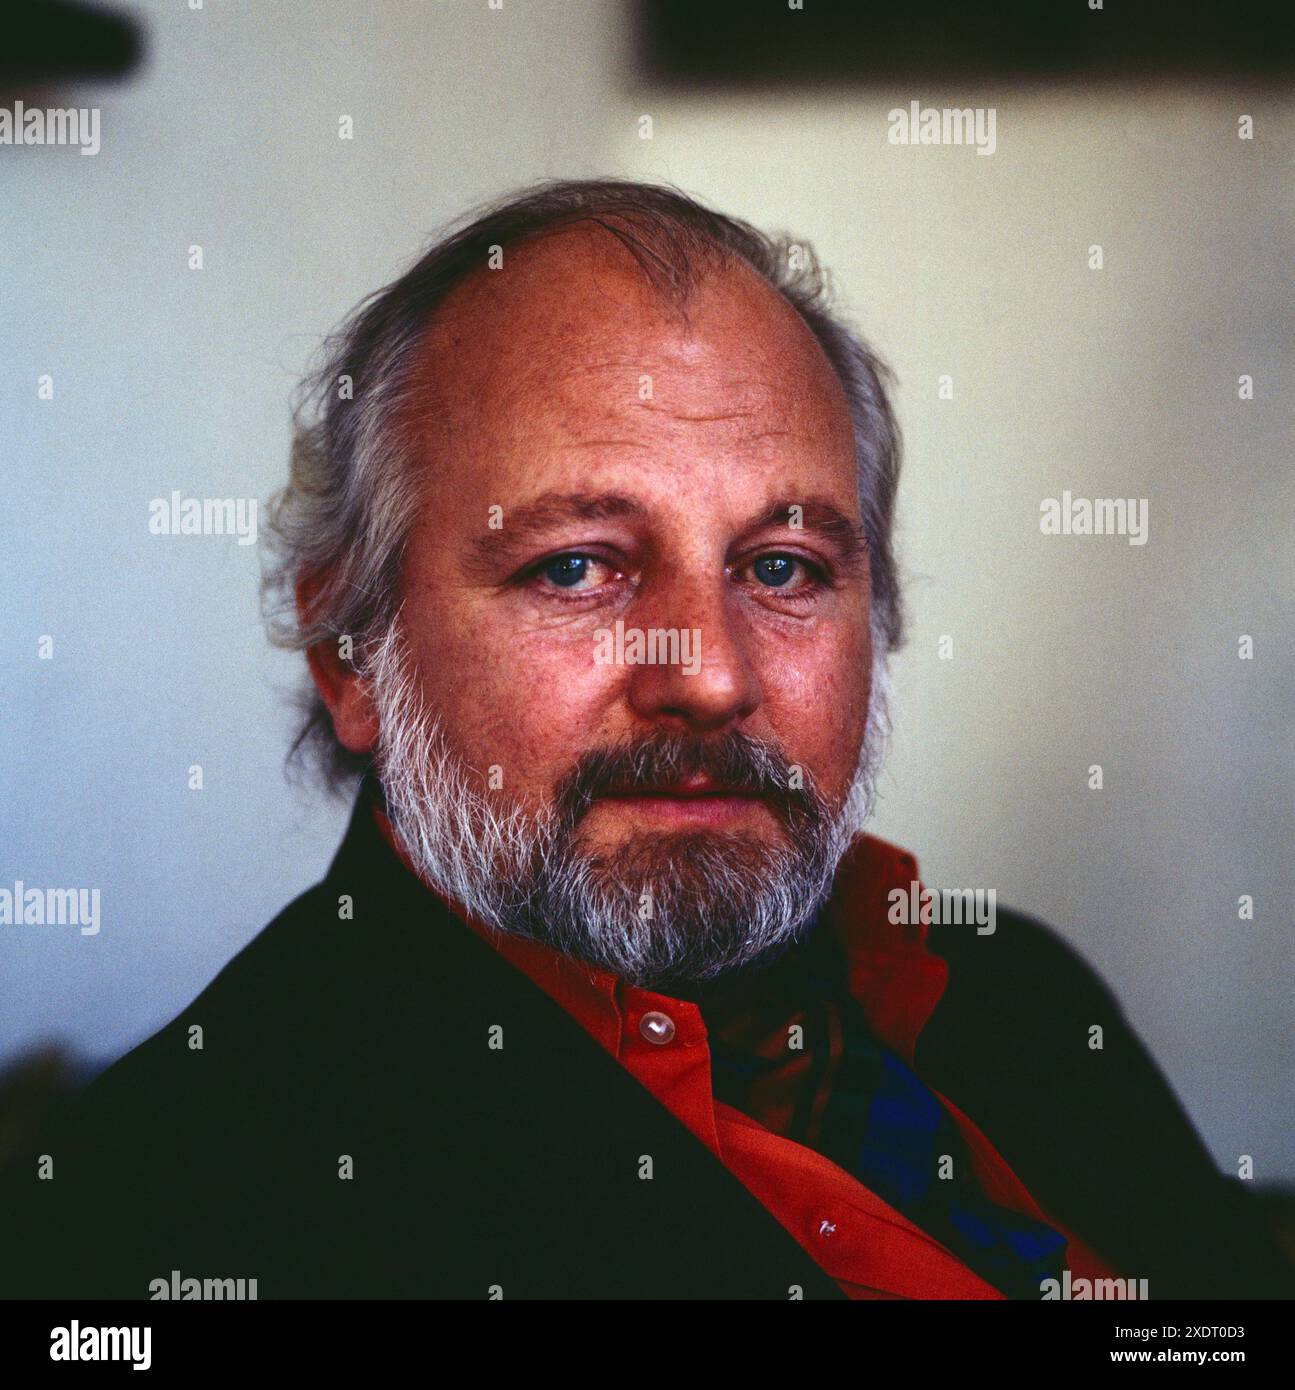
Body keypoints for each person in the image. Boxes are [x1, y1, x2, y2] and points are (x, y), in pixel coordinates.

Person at [2, 179, 1288, 1300]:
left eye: (781, 566)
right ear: (352, 655)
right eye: (576, 567)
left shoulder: (1005, 983)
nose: (711, 674)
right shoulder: (157, 1216)